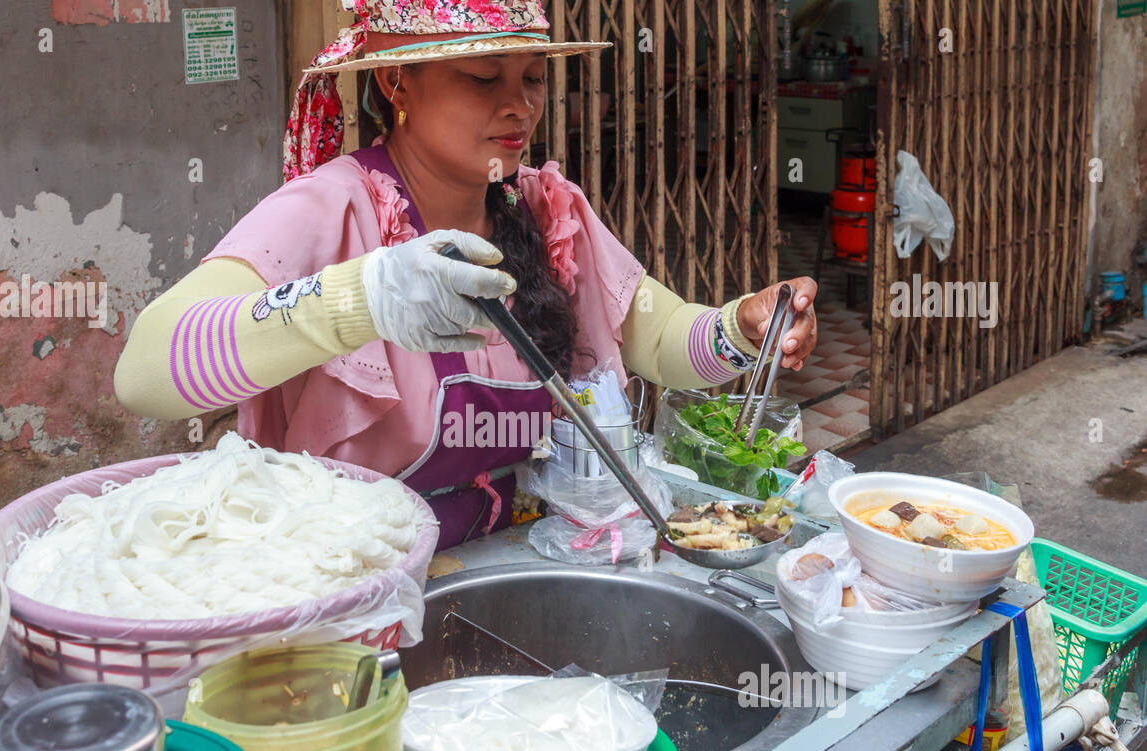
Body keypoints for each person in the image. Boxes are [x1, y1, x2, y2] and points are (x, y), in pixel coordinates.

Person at [114, 0, 819, 550]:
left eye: (533, 77)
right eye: (484, 78)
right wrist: (359, 302)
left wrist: (740, 329)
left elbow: (659, 336)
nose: (520, 106)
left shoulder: (547, 211)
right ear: (396, 82)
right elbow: (145, 372)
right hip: (351, 594)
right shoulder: (335, 209)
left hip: (500, 558)